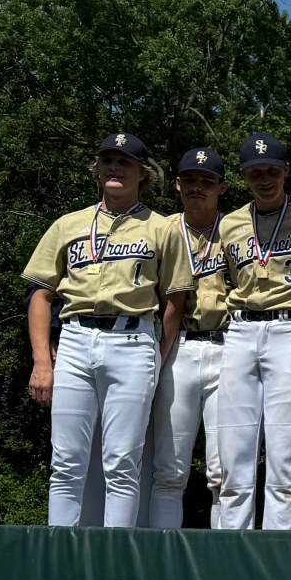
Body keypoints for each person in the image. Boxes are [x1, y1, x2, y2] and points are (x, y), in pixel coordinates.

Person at [23, 133, 192, 527]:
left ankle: (114, 564)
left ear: (142, 173)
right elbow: (41, 294)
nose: (115, 167)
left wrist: (155, 356)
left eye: (125, 162)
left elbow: (174, 301)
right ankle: (60, 561)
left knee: (121, 462)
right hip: (76, 339)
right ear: (96, 170)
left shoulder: (163, 228)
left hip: (133, 339)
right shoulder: (68, 224)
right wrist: (41, 361)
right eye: (107, 160)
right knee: (65, 462)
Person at [210, 132, 291, 530]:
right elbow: (228, 280)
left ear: (286, 171)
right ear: (244, 176)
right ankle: (232, 554)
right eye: (255, 172)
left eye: (272, 171)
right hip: (241, 330)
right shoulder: (229, 223)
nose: (264, 179)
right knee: (234, 451)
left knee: (284, 450)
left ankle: (278, 558)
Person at [148, 146, 231, 528]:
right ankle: (162, 567)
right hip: (177, 346)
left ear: (222, 187)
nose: (198, 188)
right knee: (169, 468)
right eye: (191, 180)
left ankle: (224, 571)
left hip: (229, 346)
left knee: (225, 472)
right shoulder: (160, 230)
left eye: (207, 181)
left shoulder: (236, 231)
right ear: (177, 185)